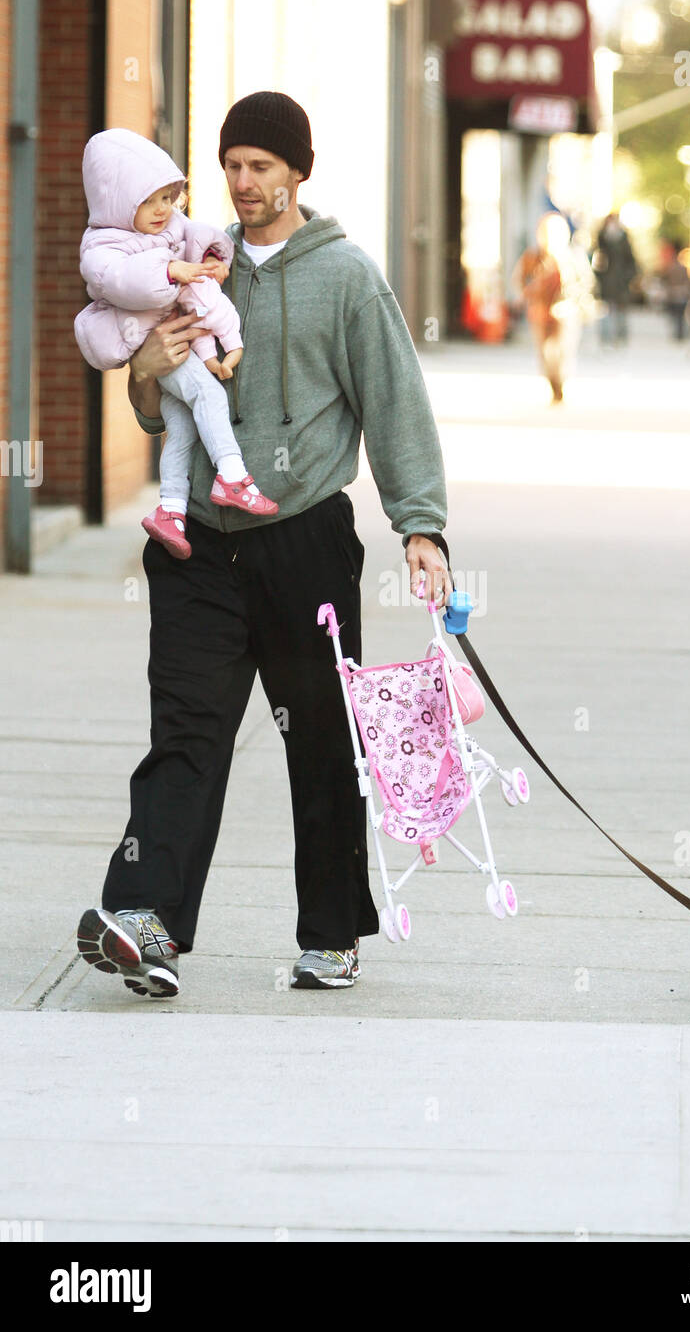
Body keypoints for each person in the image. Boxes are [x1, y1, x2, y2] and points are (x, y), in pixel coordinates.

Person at [75, 91, 451, 995]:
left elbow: (394, 402)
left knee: (321, 740)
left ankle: (331, 933)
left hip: (305, 540)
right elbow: (149, 401)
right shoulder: (193, 263)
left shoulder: (349, 276)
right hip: (199, 540)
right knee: (185, 734)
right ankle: (148, 920)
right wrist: (143, 377)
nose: (243, 184)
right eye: (232, 165)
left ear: (297, 173)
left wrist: (421, 524)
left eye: (261, 167)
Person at [74, 128, 278, 559]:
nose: (164, 210)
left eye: (170, 198)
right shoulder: (102, 243)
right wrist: (170, 271)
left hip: (176, 335)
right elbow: (121, 280)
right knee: (208, 394)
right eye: (151, 200)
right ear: (120, 202)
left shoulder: (169, 224)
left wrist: (211, 259)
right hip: (152, 338)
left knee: (182, 430)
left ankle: (170, 509)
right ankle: (233, 476)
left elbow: (198, 235)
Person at [512, 217, 567, 402]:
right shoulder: (532, 257)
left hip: (562, 314)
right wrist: (526, 295)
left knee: (558, 351)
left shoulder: (565, 258)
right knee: (544, 353)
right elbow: (519, 279)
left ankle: (560, 385)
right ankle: (554, 387)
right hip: (539, 313)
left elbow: (578, 284)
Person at [592, 212, 637, 347]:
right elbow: (596, 259)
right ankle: (605, 338)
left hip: (621, 282)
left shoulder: (623, 239)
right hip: (606, 281)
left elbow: (631, 261)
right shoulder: (601, 239)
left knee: (621, 310)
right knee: (605, 309)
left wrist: (627, 277)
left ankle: (621, 337)